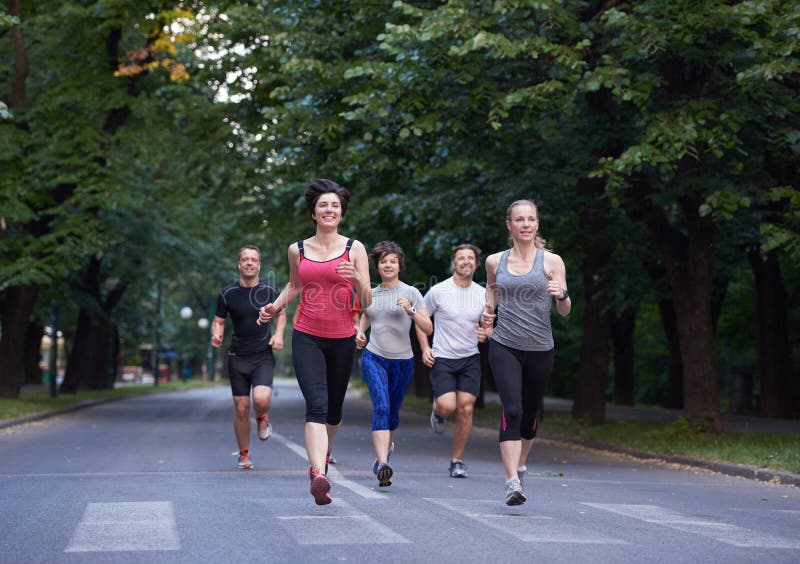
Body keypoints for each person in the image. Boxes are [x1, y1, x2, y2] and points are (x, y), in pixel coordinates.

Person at [258, 178, 371, 505]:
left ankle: (324, 452)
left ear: (342, 212)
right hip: (307, 334)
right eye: (323, 205)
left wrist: (359, 279)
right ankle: (317, 471)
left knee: (334, 410)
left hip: (342, 338)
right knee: (317, 406)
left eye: (335, 205)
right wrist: (274, 307)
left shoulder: (355, 249)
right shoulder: (298, 249)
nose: (329, 210)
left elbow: (368, 300)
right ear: (314, 212)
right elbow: (294, 286)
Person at [482, 199, 571, 505]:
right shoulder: (495, 260)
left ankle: (520, 464)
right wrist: (488, 315)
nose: (525, 224)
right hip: (504, 344)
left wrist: (562, 294)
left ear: (537, 224)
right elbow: (492, 288)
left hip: (540, 348)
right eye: (519, 219)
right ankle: (511, 482)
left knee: (530, 413)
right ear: (510, 225)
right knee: (513, 409)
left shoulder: (552, 262)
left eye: (530, 219)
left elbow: (564, 311)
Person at [356, 241, 432, 487]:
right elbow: (366, 313)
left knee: (393, 414)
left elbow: (428, 327)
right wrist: (359, 332)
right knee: (381, 406)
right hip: (374, 356)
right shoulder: (371, 293)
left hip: (402, 361)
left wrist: (411, 311)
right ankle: (382, 464)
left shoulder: (411, 292)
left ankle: (385, 455)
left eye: (392, 261)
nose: (388, 265)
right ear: (377, 266)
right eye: (383, 261)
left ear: (400, 264)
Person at [415, 244, 491, 479]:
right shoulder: (439, 291)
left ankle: (457, 461)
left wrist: (485, 334)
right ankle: (438, 412)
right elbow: (420, 318)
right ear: (453, 263)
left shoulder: (483, 294)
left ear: (476, 264)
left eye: (470, 258)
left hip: (470, 358)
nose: (466, 261)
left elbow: (488, 326)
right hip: (443, 357)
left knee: (466, 408)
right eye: (461, 258)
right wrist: (425, 347)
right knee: (448, 406)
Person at [211, 245, 287, 470]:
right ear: (239, 264)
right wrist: (216, 333)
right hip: (237, 356)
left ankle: (262, 416)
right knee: (242, 407)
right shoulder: (227, 293)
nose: (249, 263)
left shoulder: (270, 291)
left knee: (261, 399)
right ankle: (244, 454)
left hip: (262, 354)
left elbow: (281, 314)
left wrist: (279, 334)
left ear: (259, 265)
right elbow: (219, 320)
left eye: (254, 259)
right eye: (245, 259)